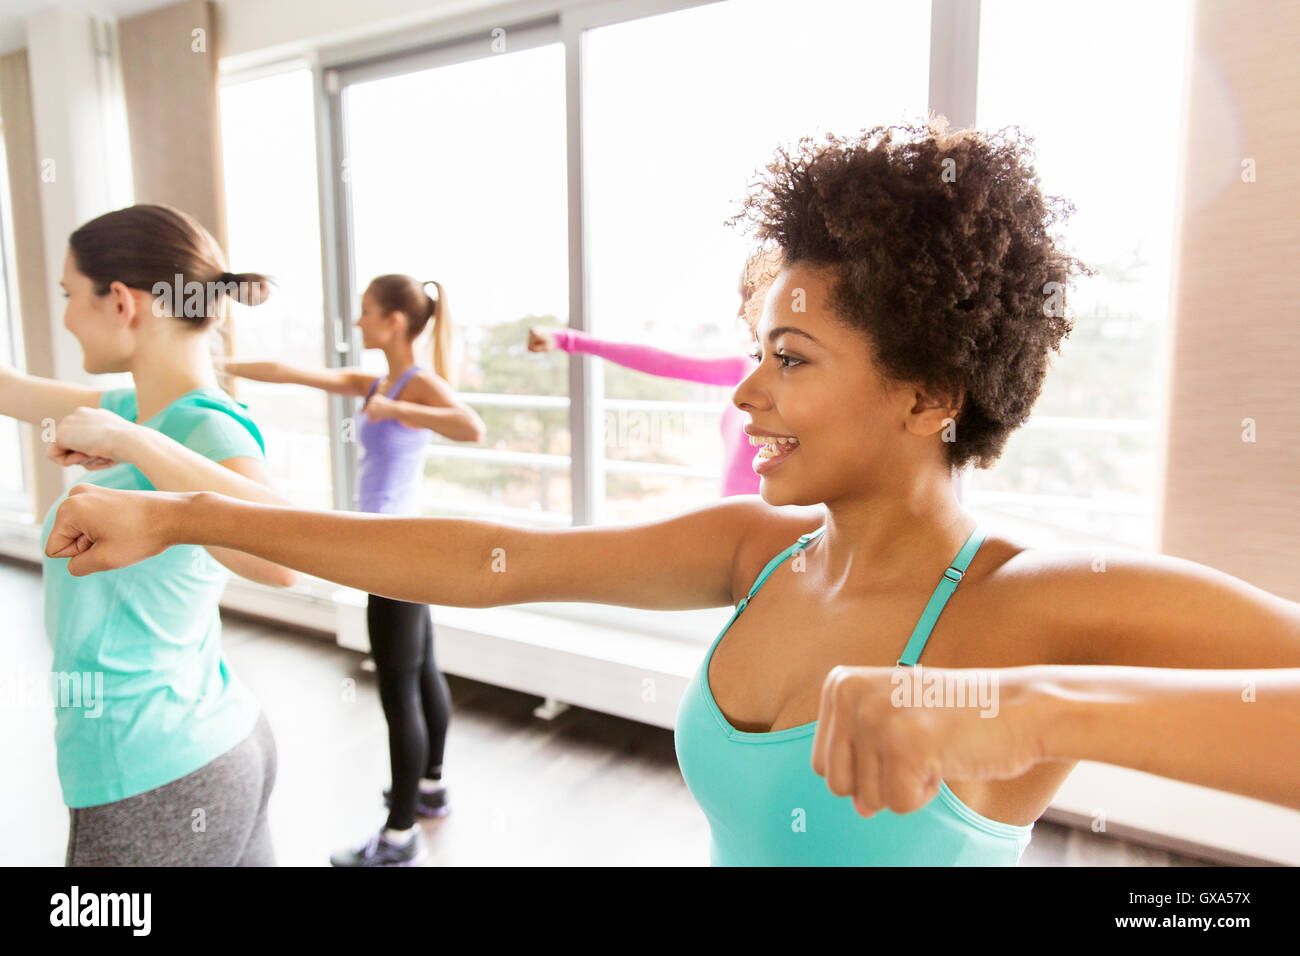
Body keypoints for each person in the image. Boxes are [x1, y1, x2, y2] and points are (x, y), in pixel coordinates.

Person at [43, 122, 1300, 865]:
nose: (745, 396)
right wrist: (188, 510)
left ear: (930, 391)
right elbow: (493, 554)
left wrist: (1019, 706)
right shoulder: (759, 551)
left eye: (790, 362)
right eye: (753, 353)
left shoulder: (1030, 604)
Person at [0, 203, 300, 865]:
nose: (66, 314)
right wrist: (132, 433)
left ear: (122, 302)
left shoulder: (200, 426)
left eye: (68, 295)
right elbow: (12, 391)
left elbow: (282, 560)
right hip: (213, 742)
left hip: (153, 772)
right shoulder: (146, 409)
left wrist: (133, 443)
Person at [218, 274, 485, 867]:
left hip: (391, 553)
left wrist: (396, 407)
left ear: (393, 321)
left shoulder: (418, 385)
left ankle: (398, 836)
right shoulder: (378, 380)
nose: (358, 322)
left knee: (397, 691)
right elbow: (292, 374)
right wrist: (218, 363)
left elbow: (472, 427)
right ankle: (431, 788)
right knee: (421, 670)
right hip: (400, 546)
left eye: (365, 312)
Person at [526, 250, 778, 497]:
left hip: (767, 531)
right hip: (733, 527)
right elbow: (659, 361)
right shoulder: (747, 365)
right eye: (741, 298)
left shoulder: (785, 378)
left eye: (749, 296)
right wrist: (567, 340)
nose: (740, 312)